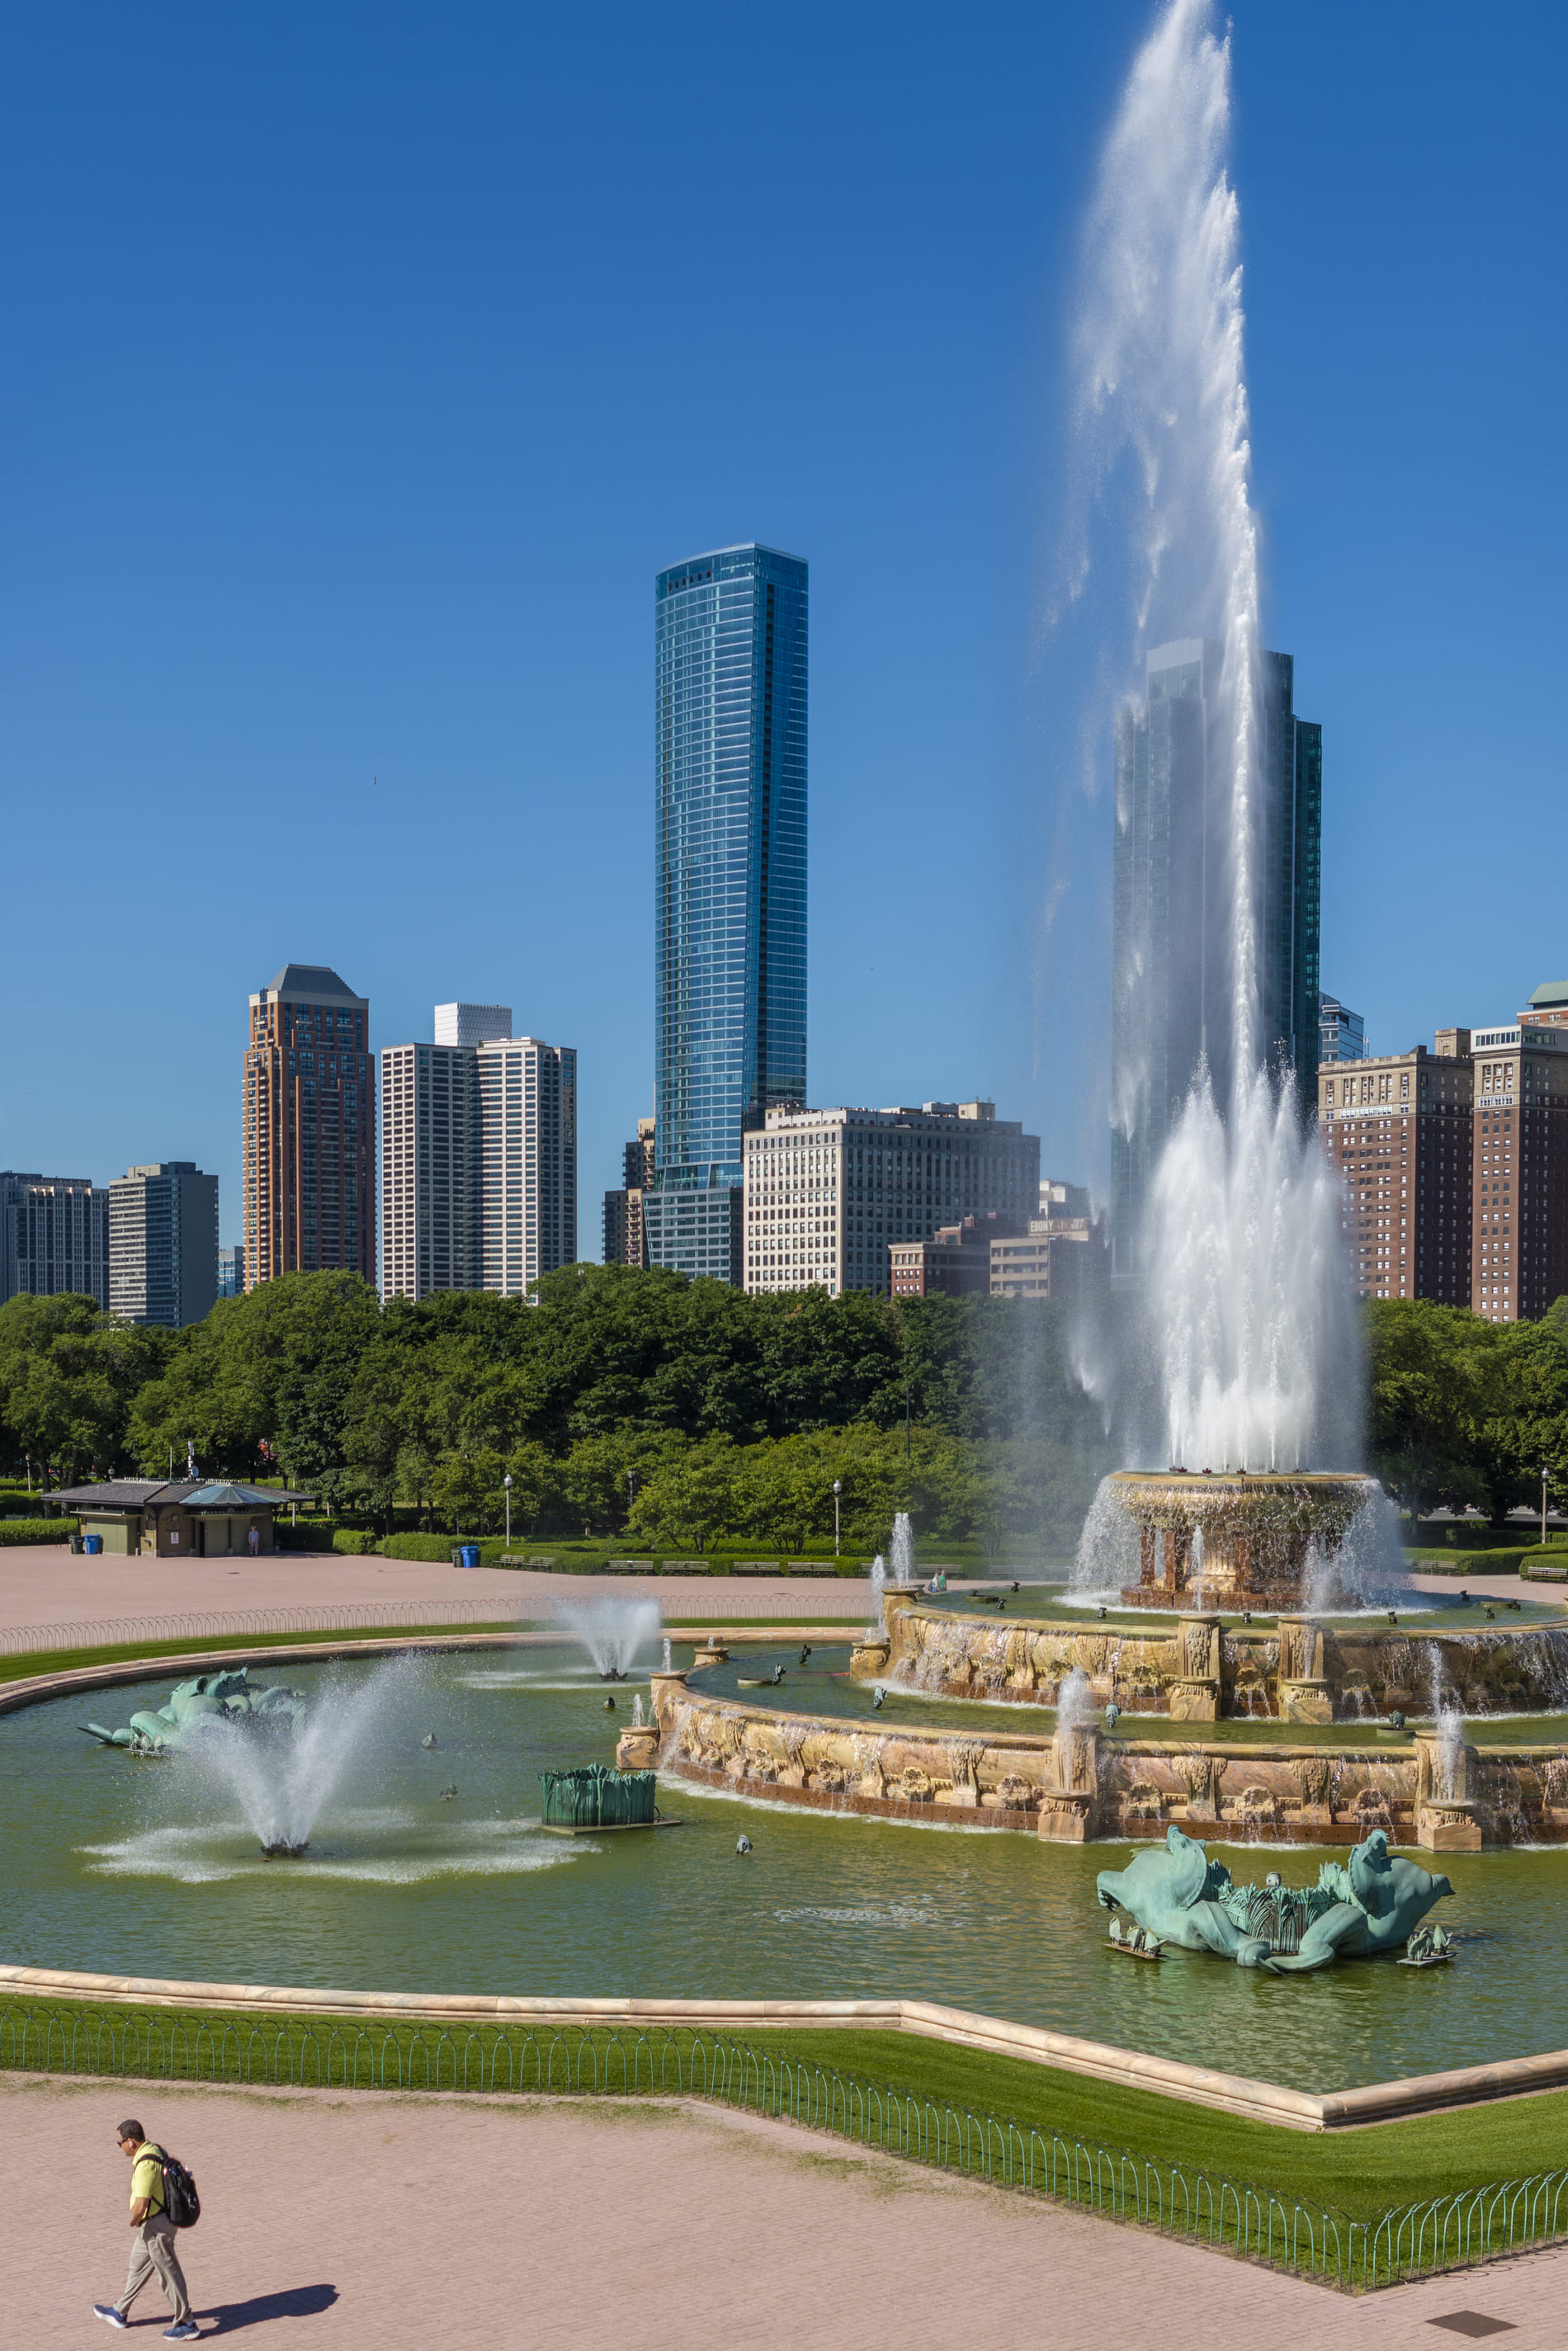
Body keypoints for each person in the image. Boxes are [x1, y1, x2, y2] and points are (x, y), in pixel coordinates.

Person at [92, 2118, 197, 2339]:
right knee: (138, 2263)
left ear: (131, 2141)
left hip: (157, 2226)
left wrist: (134, 2221)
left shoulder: (145, 2165)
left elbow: (141, 2204)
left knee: (168, 2274)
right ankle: (120, 2311)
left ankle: (187, 2324)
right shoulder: (154, 2149)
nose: (119, 2146)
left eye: (119, 2142)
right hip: (156, 2223)